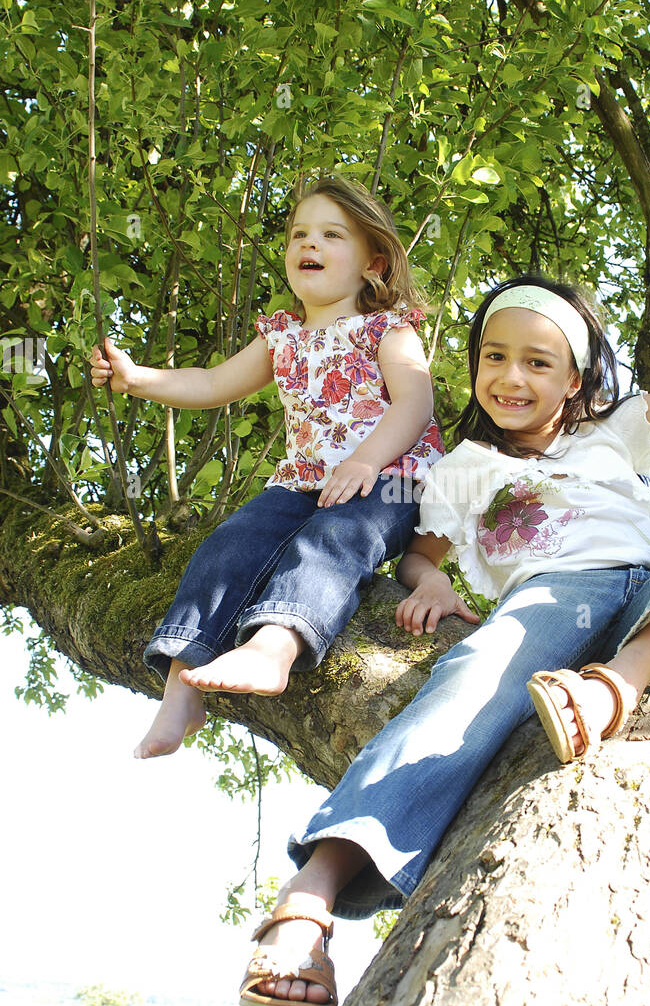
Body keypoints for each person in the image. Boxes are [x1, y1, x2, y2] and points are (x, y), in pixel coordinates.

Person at [238, 274, 650, 1006]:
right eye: (495, 357)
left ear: (575, 379)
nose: (511, 376)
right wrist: (431, 581)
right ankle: (308, 903)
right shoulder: (464, 467)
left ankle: (618, 685)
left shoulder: (618, 429)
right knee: (466, 687)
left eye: (538, 362)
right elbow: (421, 554)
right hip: (552, 598)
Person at [89, 176, 444, 759]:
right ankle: (181, 686)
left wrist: (365, 459)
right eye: (299, 233)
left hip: (390, 477)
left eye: (332, 234)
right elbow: (211, 383)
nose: (311, 243)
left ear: (373, 263)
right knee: (231, 543)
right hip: (304, 478)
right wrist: (137, 379)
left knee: (334, 540)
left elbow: (416, 401)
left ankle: (275, 644)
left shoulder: (388, 326)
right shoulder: (281, 335)